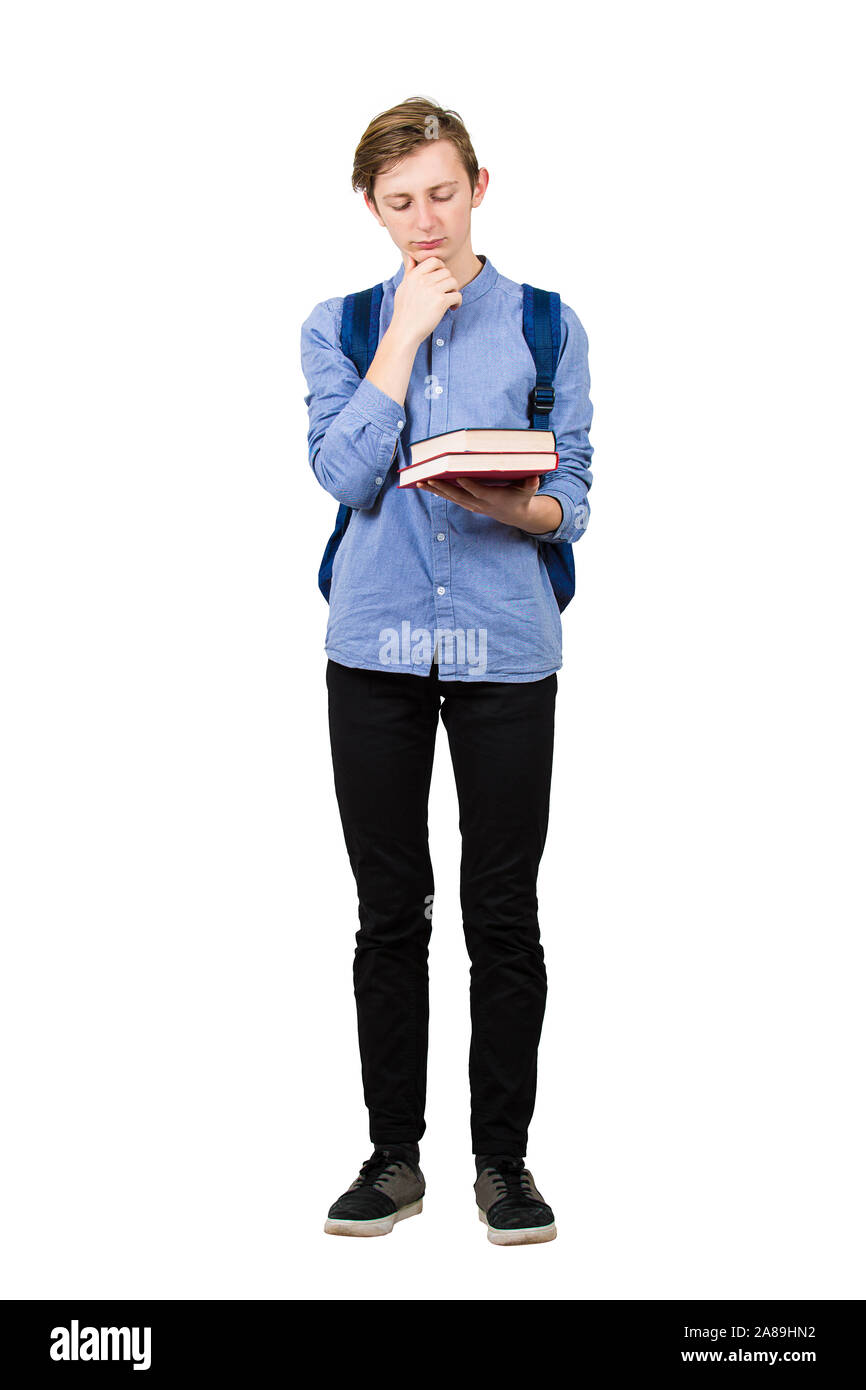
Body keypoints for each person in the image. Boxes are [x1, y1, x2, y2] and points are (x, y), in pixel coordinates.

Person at [300, 96, 594, 1245]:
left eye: (440, 191)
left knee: (501, 911)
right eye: (398, 201)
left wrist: (522, 506)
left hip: (505, 648)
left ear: (480, 184)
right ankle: (390, 1156)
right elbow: (340, 473)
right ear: (371, 208)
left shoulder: (548, 324)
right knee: (390, 912)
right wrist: (405, 337)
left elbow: (575, 488)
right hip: (371, 647)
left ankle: (503, 1163)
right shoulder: (345, 320)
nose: (424, 220)